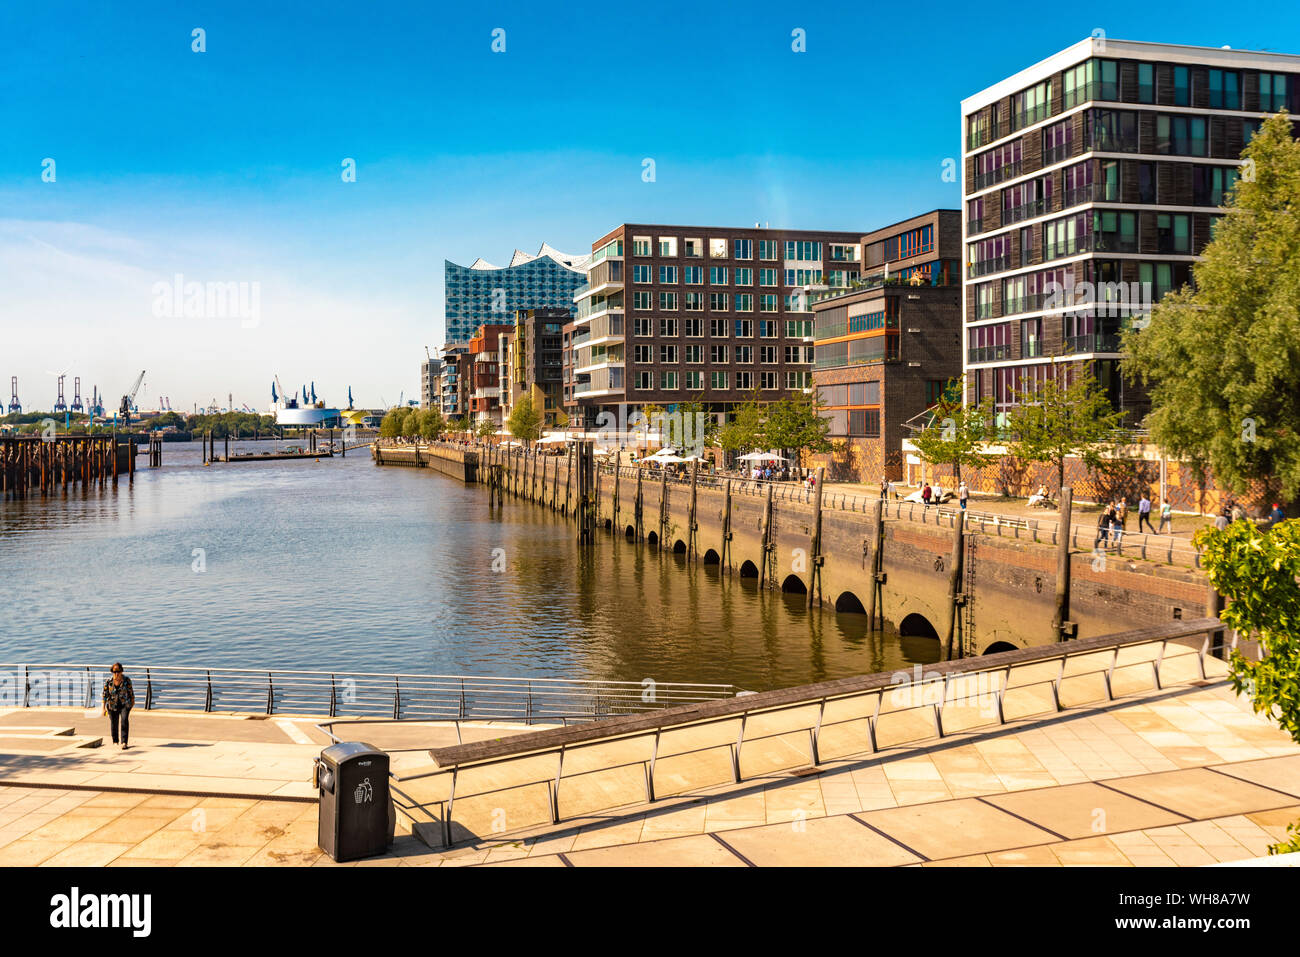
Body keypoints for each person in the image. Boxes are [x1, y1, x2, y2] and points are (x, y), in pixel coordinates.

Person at [102, 662, 135, 750]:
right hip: (112, 705)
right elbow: (105, 695)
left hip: (125, 704)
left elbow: (131, 692)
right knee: (114, 723)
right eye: (114, 672)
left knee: (124, 721)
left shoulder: (126, 680)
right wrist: (103, 708)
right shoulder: (109, 681)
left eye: (118, 671)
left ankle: (124, 742)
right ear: (112, 672)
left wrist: (132, 702)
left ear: (121, 671)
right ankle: (115, 741)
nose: (116, 674)